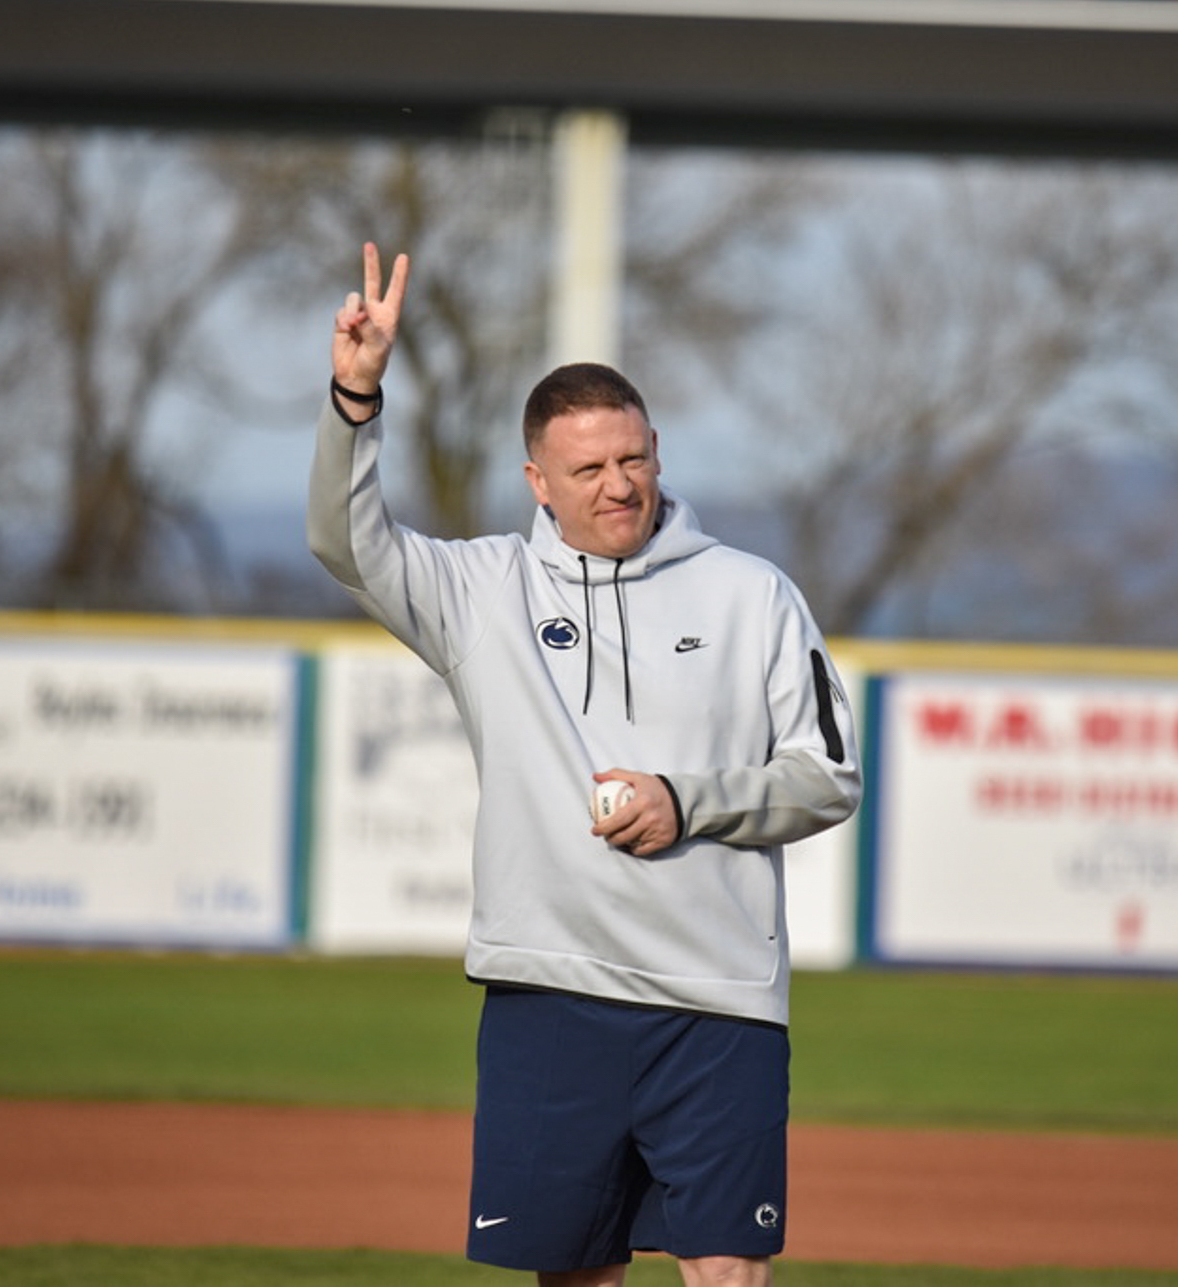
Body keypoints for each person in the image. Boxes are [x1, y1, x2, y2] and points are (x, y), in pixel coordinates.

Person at [307, 244, 861, 1287]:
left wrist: (687, 804)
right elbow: (344, 541)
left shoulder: (753, 595)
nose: (618, 486)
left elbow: (825, 776)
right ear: (538, 482)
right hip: (547, 993)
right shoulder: (482, 590)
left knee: (730, 1273)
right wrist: (356, 395)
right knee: (574, 1274)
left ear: (657, 450)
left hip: (718, 999)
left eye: (633, 459)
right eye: (588, 470)